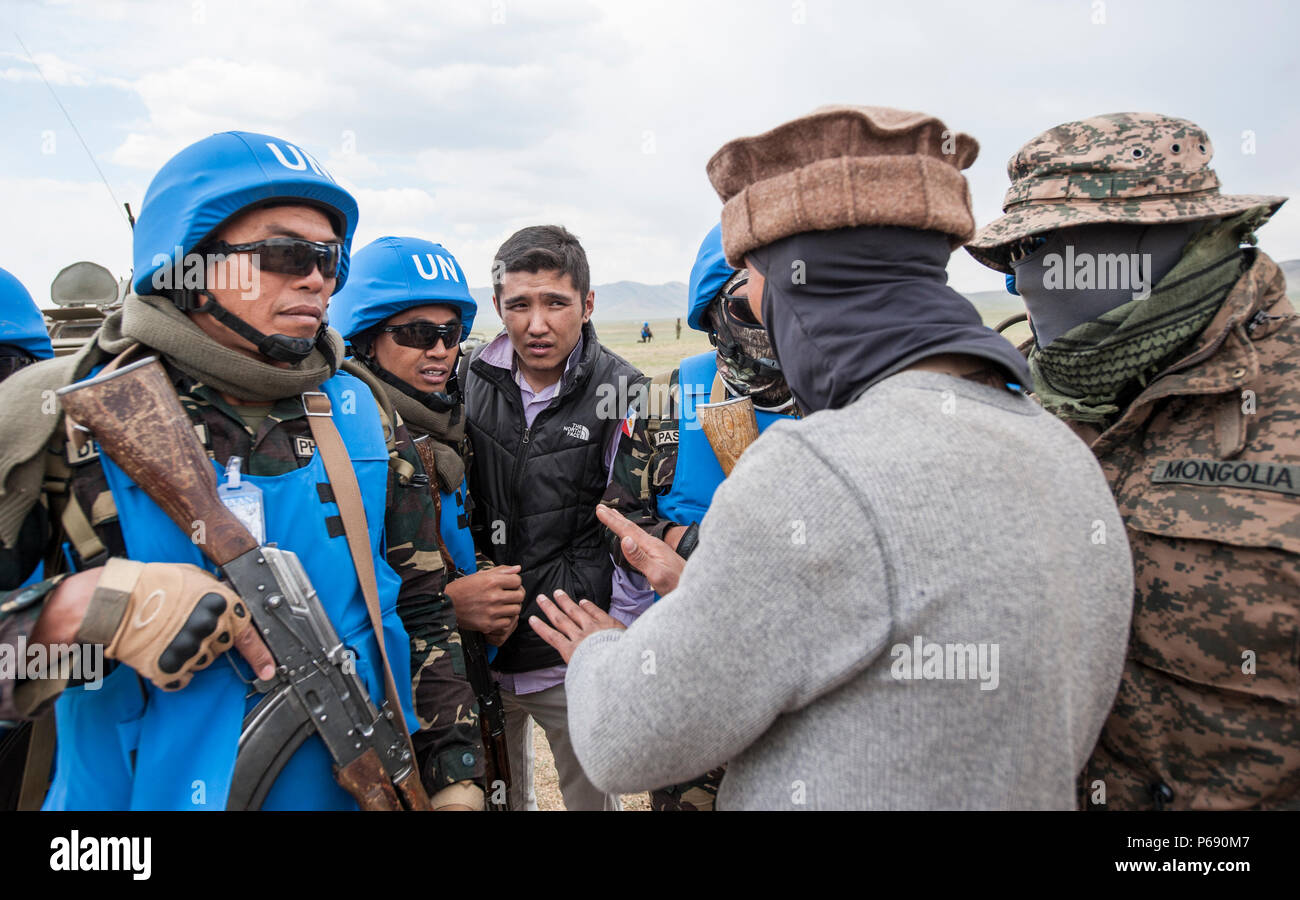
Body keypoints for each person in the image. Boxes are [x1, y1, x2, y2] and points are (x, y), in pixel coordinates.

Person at [532, 106, 1134, 810]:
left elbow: (625, 742)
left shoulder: (814, 476)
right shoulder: (1062, 452)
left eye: (757, 299)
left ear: (802, 287)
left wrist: (603, 653)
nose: (760, 331)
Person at [0, 131, 483, 810]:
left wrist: (455, 771)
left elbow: (422, 607)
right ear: (188, 268)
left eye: (329, 260)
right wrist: (74, 614)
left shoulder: (359, 408)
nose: (316, 278)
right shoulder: (62, 415)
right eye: (286, 255)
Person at [966, 112, 1300, 810]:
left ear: (1161, 237)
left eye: (1043, 248)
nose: (1024, 284)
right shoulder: (1015, 401)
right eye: (1014, 256)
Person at [598, 222, 800, 810]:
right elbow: (618, 517)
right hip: (694, 682)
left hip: (809, 683)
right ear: (713, 313)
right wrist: (687, 546)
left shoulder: (844, 396)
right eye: (749, 301)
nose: (774, 317)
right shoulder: (667, 399)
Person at [330, 235, 525, 806]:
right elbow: (334, 595)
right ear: (367, 339)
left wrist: (488, 579)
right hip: (399, 706)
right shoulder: (354, 441)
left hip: (464, 688)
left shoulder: (444, 427)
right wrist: (453, 602)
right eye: (416, 334)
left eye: (450, 334)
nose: (439, 349)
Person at [464, 224, 640, 811]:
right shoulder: (466, 380)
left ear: (587, 305)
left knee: (592, 802)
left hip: (570, 649)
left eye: (556, 303)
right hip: (481, 651)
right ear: (497, 305)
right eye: (519, 304)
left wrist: (615, 649)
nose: (536, 325)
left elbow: (633, 532)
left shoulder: (627, 391)